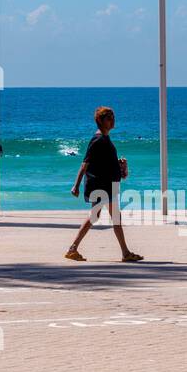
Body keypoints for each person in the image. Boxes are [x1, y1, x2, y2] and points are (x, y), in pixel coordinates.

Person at [66, 106, 142, 262]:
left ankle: (124, 252)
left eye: (113, 117)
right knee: (101, 217)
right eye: (109, 118)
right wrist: (76, 185)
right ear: (100, 120)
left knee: (105, 217)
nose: (113, 120)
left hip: (107, 185)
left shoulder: (105, 138)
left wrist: (118, 164)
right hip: (102, 186)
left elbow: (103, 162)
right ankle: (73, 248)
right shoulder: (98, 139)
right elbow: (85, 163)